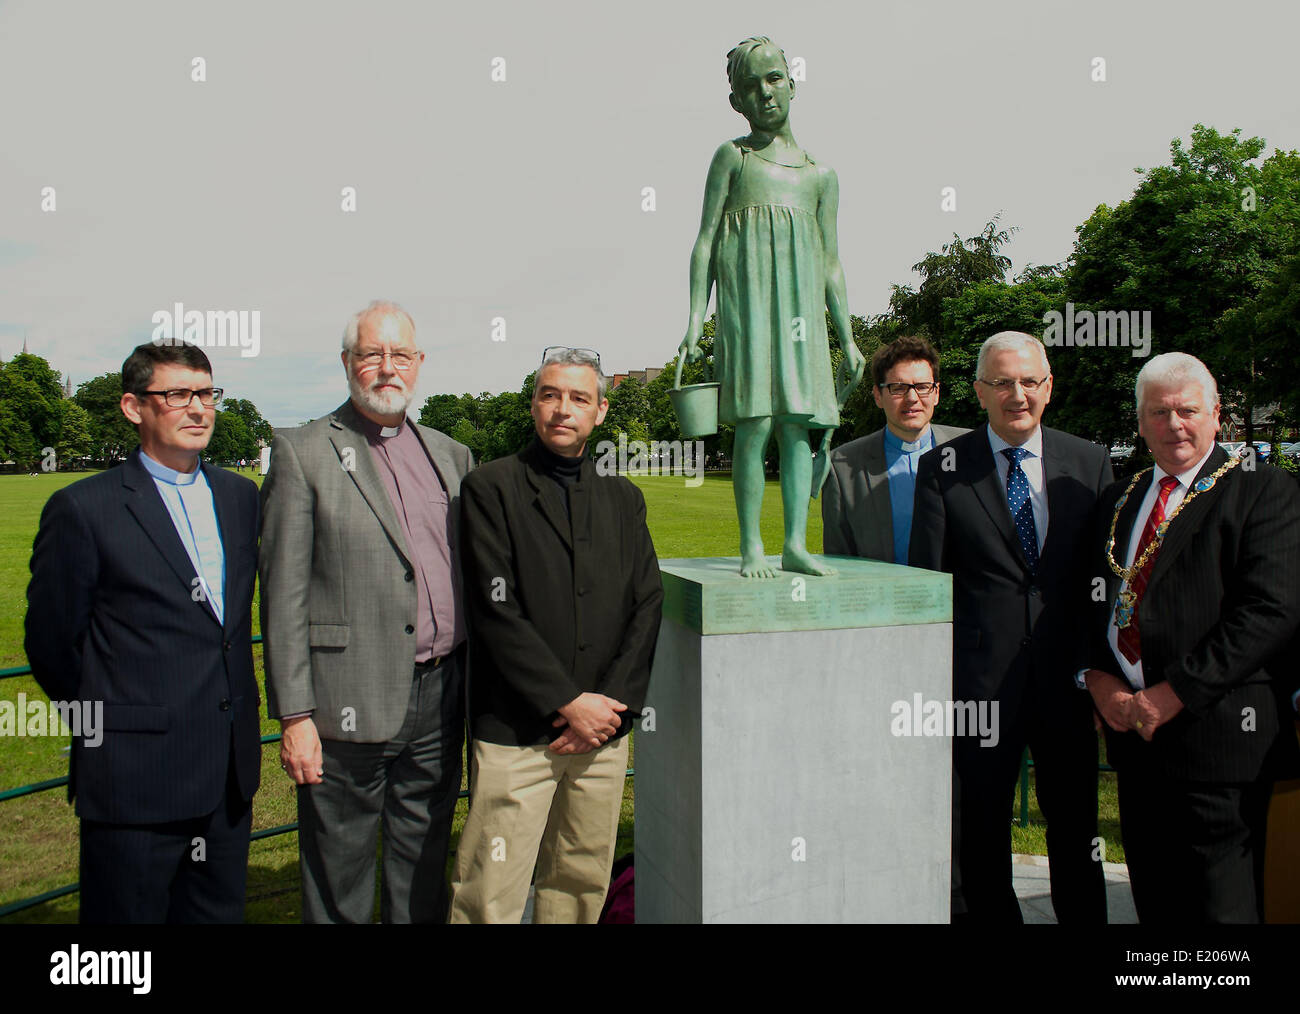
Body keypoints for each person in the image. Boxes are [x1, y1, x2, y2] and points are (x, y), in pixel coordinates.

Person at [25, 341, 261, 923]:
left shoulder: (239, 497)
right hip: (133, 784)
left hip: (228, 777)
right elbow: (52, 646)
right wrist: (117, 726)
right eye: (177, 394)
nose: (198, 409)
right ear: (134, 407)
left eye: (206, 394)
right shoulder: (83, 508)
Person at [258, 300, 474, 923]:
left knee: (423, 861)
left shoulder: (451, 455)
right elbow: (282, 597)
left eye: (400, 355)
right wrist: (294, 715)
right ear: (347, 362)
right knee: (339, 872)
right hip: (343, 702)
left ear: (419, 363)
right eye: (372, 354)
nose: (387, 368)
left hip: (440, 696)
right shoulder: (302, 452)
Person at [1079, 352, 1300, 923]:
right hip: (1135, 738)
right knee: (1157, 900)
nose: (1174, 424)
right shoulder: (1120, 499)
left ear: (1217, 413)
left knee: (1219, 910)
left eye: (1187, 410)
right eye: (1159, 412)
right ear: (1140, 420)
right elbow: (1089, 603)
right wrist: (1101, 683)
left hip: (1220, 740)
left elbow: (1268, 613)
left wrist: (1170, 694)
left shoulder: (1264, 491)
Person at [449, 347, 662, 923]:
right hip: (517, 731)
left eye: (578, 398)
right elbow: (497, 610)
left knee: (578, 886)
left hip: (602, 736)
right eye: (549, 394)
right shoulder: (490, 489)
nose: (562, 409)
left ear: (601, 411)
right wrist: (567, 703)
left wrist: (609, 710)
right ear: (534, 405)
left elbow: (646, 603)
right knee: (488, 893)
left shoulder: (624, 498)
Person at [910, 331, 1111, 924]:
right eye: (1001, 382)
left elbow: (1107, 581)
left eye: (1028, 381)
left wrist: (1100, 670)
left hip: (1070, 684)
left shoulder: (1089, 462)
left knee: (1076, 828)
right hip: (978, 687)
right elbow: (931, 585)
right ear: (978, 391)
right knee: (983, 828)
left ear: (1048, 387)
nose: (1016, 394)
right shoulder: (942, 467)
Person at [680, 35, 866, 579]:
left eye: (774, 79)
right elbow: (705, 242)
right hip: (749, 313)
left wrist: (848, 337)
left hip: (802, 319)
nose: (765, 93)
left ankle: (794, 544)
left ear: (793, 82)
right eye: (750, 86)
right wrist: (696, 318)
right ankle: (751, 546)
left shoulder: (820, 176)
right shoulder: (732, 158)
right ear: (736, 101)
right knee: (755, 423)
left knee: (796, 427)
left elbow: (832, 262)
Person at [822, 336, 968, 563]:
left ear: (936, 393)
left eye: (922, 387)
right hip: (883, 596)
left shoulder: (970, 450)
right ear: (878, 396)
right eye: (898, 388)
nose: (912, 398)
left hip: (957, 596)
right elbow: (838, 560)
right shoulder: (842, 467)